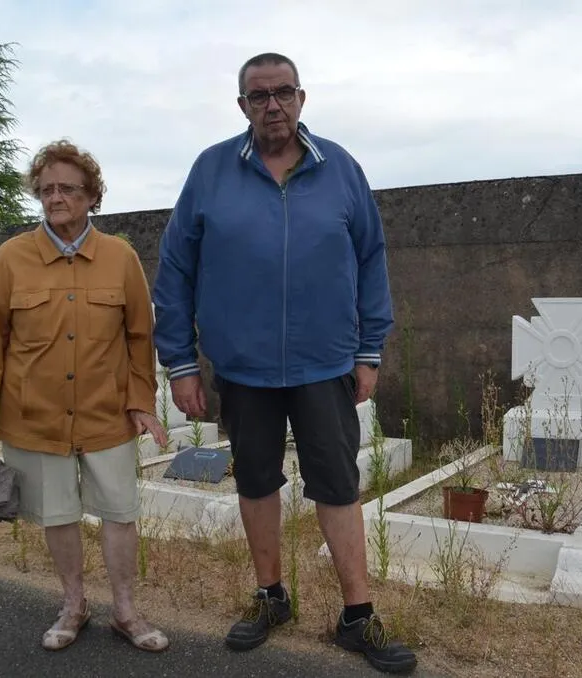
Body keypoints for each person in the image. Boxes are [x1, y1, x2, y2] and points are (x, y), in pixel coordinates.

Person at [152, 53, 417, 674]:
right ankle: (271, 597)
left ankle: (358, 615)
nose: (273, 105)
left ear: (302, 98)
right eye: (258, 95)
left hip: (325, 364)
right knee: (256, 480)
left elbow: (371, 259)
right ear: (241, 105)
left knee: (338, 484)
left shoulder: (341, 169)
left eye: (284, 92)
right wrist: (180, 363)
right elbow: (176, 269)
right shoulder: (211, 171)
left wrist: (369, 349)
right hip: (242, 367)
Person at [0, 140, 170, 654]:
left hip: (106, 416)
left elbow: (141, 336)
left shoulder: (120, 257)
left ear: (92, 196)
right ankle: (74, 605)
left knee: (120, 513)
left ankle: (124, 609)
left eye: (68, 188)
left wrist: (141, 400)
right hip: (35, 418)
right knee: (58, 515)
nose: (56, 197)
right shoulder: (12, 258)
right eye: (47, 188)